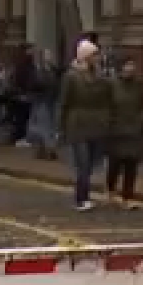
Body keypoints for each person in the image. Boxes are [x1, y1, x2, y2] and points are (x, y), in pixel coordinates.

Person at [59, 40, 115, 211]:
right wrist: (61, 127)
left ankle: (84, 194)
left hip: (97, 124)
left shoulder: (101, 76)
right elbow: (64, 102)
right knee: (83, 163)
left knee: (91, 163)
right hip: (78, 124)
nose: (97, 58)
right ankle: (81, 198)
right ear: (86, 56)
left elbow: (108, 97)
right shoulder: (71, 76)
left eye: (97, 55)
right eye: (94, 55)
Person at [104, 56, 143, 208]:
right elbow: (105, 106)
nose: (130, 68)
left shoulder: (139, 85)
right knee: (115, 165)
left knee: (131, 166)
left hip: (134, 131)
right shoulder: (111, 85)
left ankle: (127, 197)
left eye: (132, 65)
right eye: (127, 65)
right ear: (120, 67)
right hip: (116, 132)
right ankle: (111, 190)